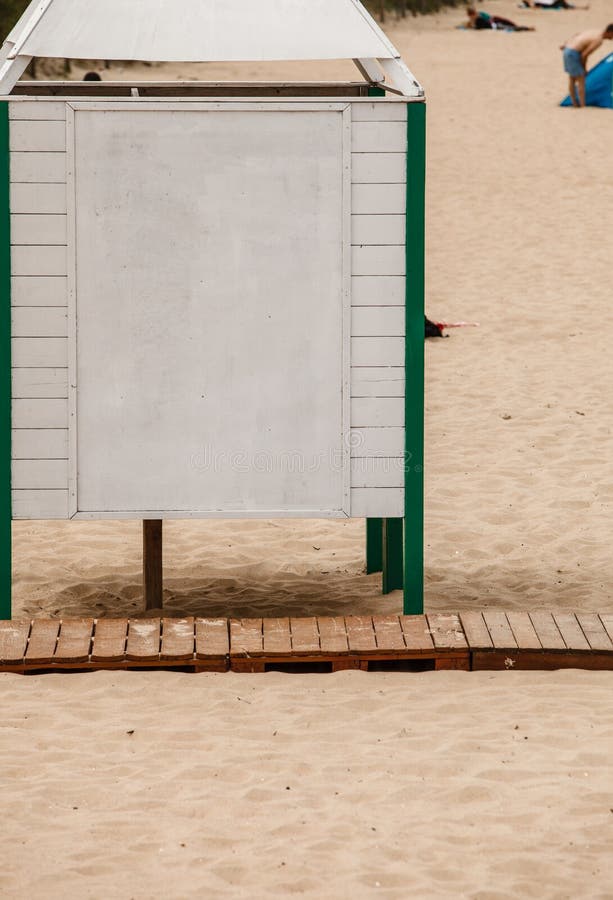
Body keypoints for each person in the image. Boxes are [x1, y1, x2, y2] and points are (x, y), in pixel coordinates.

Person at [561, 24, 613, 106]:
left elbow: (577, 34)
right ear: (610, 32)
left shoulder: (595, 31)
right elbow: (584, 55)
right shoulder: (598, 40)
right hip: (573, 53)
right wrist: (584, 68)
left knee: (572, 78)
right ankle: (582, 104)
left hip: (567, 50)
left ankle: (574, 103)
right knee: (581, 80)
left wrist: (566, 43)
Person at [465, 7, 534, 31]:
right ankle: (526, 28)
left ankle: (527, 28)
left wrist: (471, 24)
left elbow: (478, 27)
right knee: (511, 26)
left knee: (511, 27)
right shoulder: (478, 17)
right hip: (495, 23)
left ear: (471, 14)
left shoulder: (478, 19)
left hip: (495, 25)